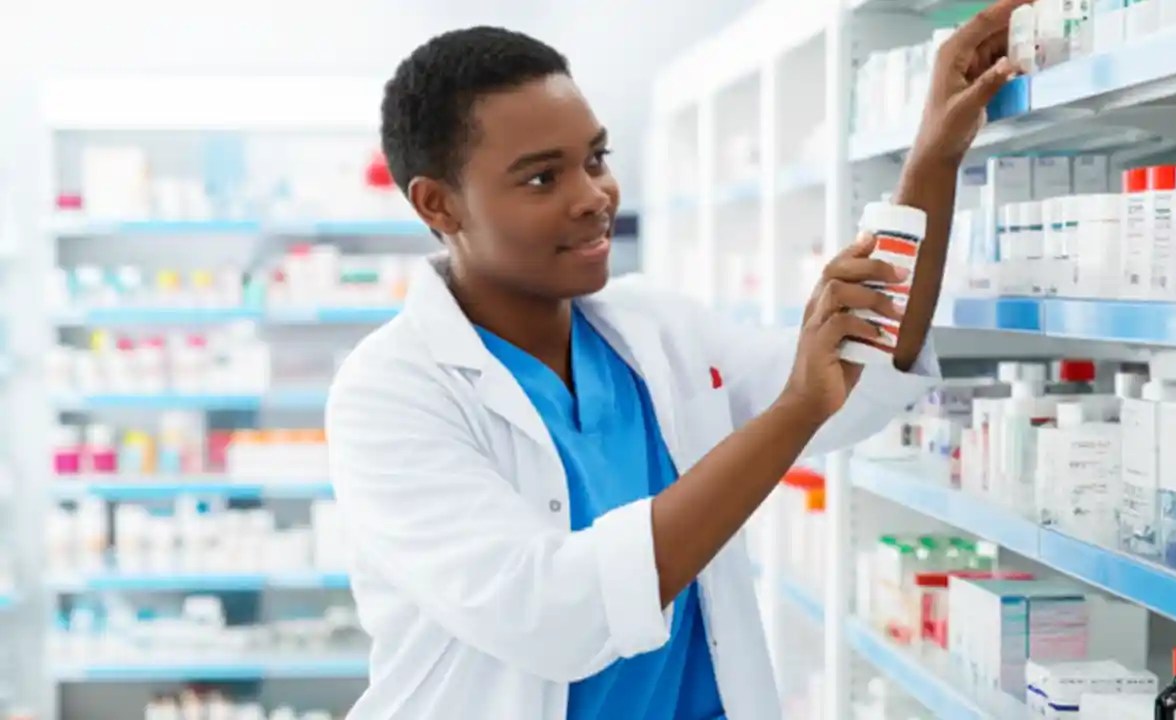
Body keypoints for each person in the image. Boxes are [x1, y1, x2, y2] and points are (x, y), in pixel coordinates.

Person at [325, 3, 1025, 718]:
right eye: (542, 179)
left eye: (595, 159)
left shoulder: (656, 329)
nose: (592, 197)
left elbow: (859, 375)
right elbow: (556, 614)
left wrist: (935, 157)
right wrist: (794, 409)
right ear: (438, 205)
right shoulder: (391, 393)